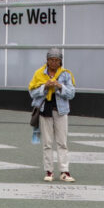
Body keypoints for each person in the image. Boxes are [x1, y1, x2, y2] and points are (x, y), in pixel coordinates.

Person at [28, 47, 76, 182]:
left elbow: (71, 94)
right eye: (51, 60)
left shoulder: (66, 74)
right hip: (44, 110)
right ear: (47, 61)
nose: (54, 63)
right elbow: (32, 92)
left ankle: (65, 171)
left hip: (61, 111)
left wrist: (60, 86)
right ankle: (49, 171)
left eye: (57, 60)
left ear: (60, 61)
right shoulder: (39, 73)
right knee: (47, 143)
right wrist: (45, 87)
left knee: (62, 142)